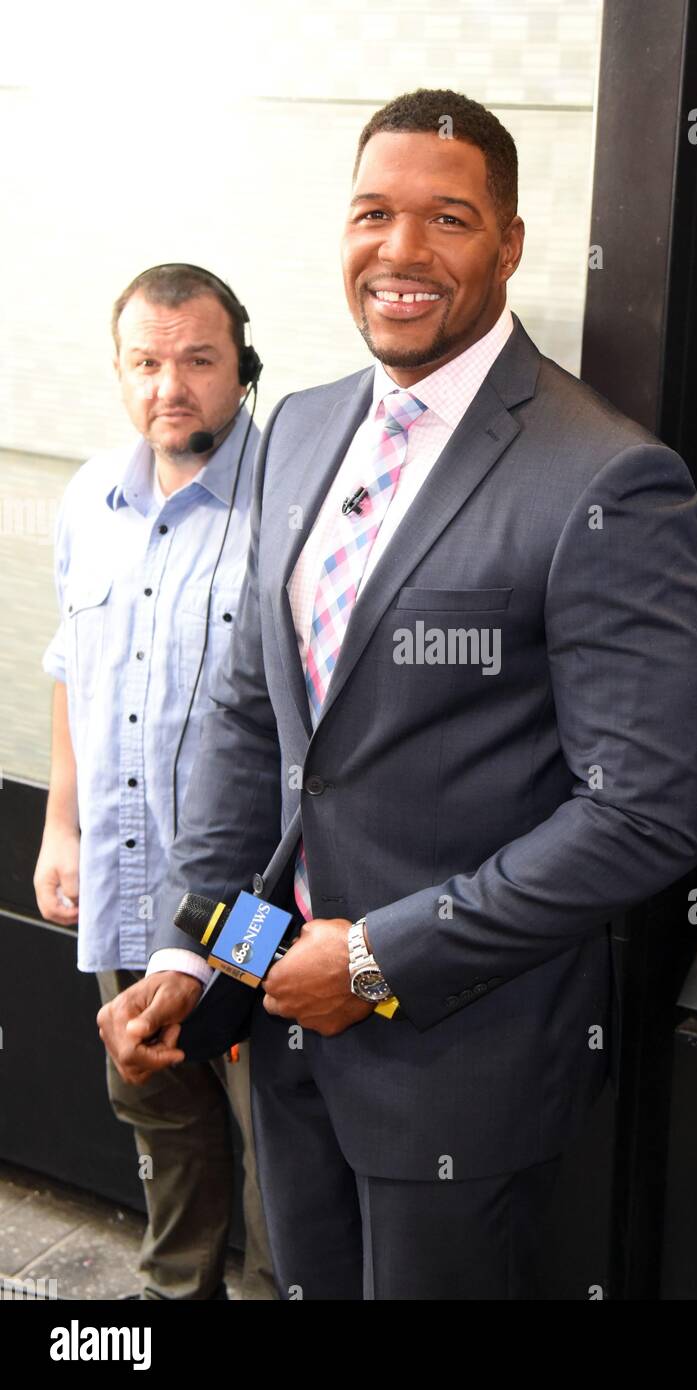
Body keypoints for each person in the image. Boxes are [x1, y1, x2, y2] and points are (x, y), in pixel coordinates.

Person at [98, 90, 697, 1300]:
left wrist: (375, 961)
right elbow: (249, 712)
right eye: (373, 213)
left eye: (447, 218)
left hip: (456, 1066)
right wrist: (198, 949)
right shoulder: (300, 425)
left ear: (509, 244)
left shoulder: (608, 476)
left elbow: (641, 811)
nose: (401, 252)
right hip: (279, 1037)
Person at [35, 264, 276, 1300]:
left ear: (242, 366)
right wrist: (61, 827)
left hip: (258, 908)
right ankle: (178, 1294)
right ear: (119, 368)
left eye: (196, 360)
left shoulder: (290, 507)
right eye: (145, 361)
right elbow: (69, 667)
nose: (167, 385)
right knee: (154, 1108)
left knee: (275, 1137)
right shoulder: (91, 494)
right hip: (132, 880)